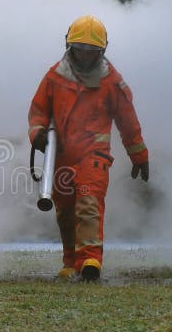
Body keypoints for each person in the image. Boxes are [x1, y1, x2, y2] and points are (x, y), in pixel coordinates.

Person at [28, 15, 149, 282]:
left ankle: (91, 259)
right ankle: (71, 260)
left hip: (94, 156)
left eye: (90, 51)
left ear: (101, 51)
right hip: (60, 156)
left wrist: (138, 154)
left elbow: (127, 121)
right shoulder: (54, 77)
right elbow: (38, 110)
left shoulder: (111, 82)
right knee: (65, 208)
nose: (84, 56)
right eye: (80, 49)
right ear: (70, 47)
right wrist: (36, 133)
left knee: (88, 201)